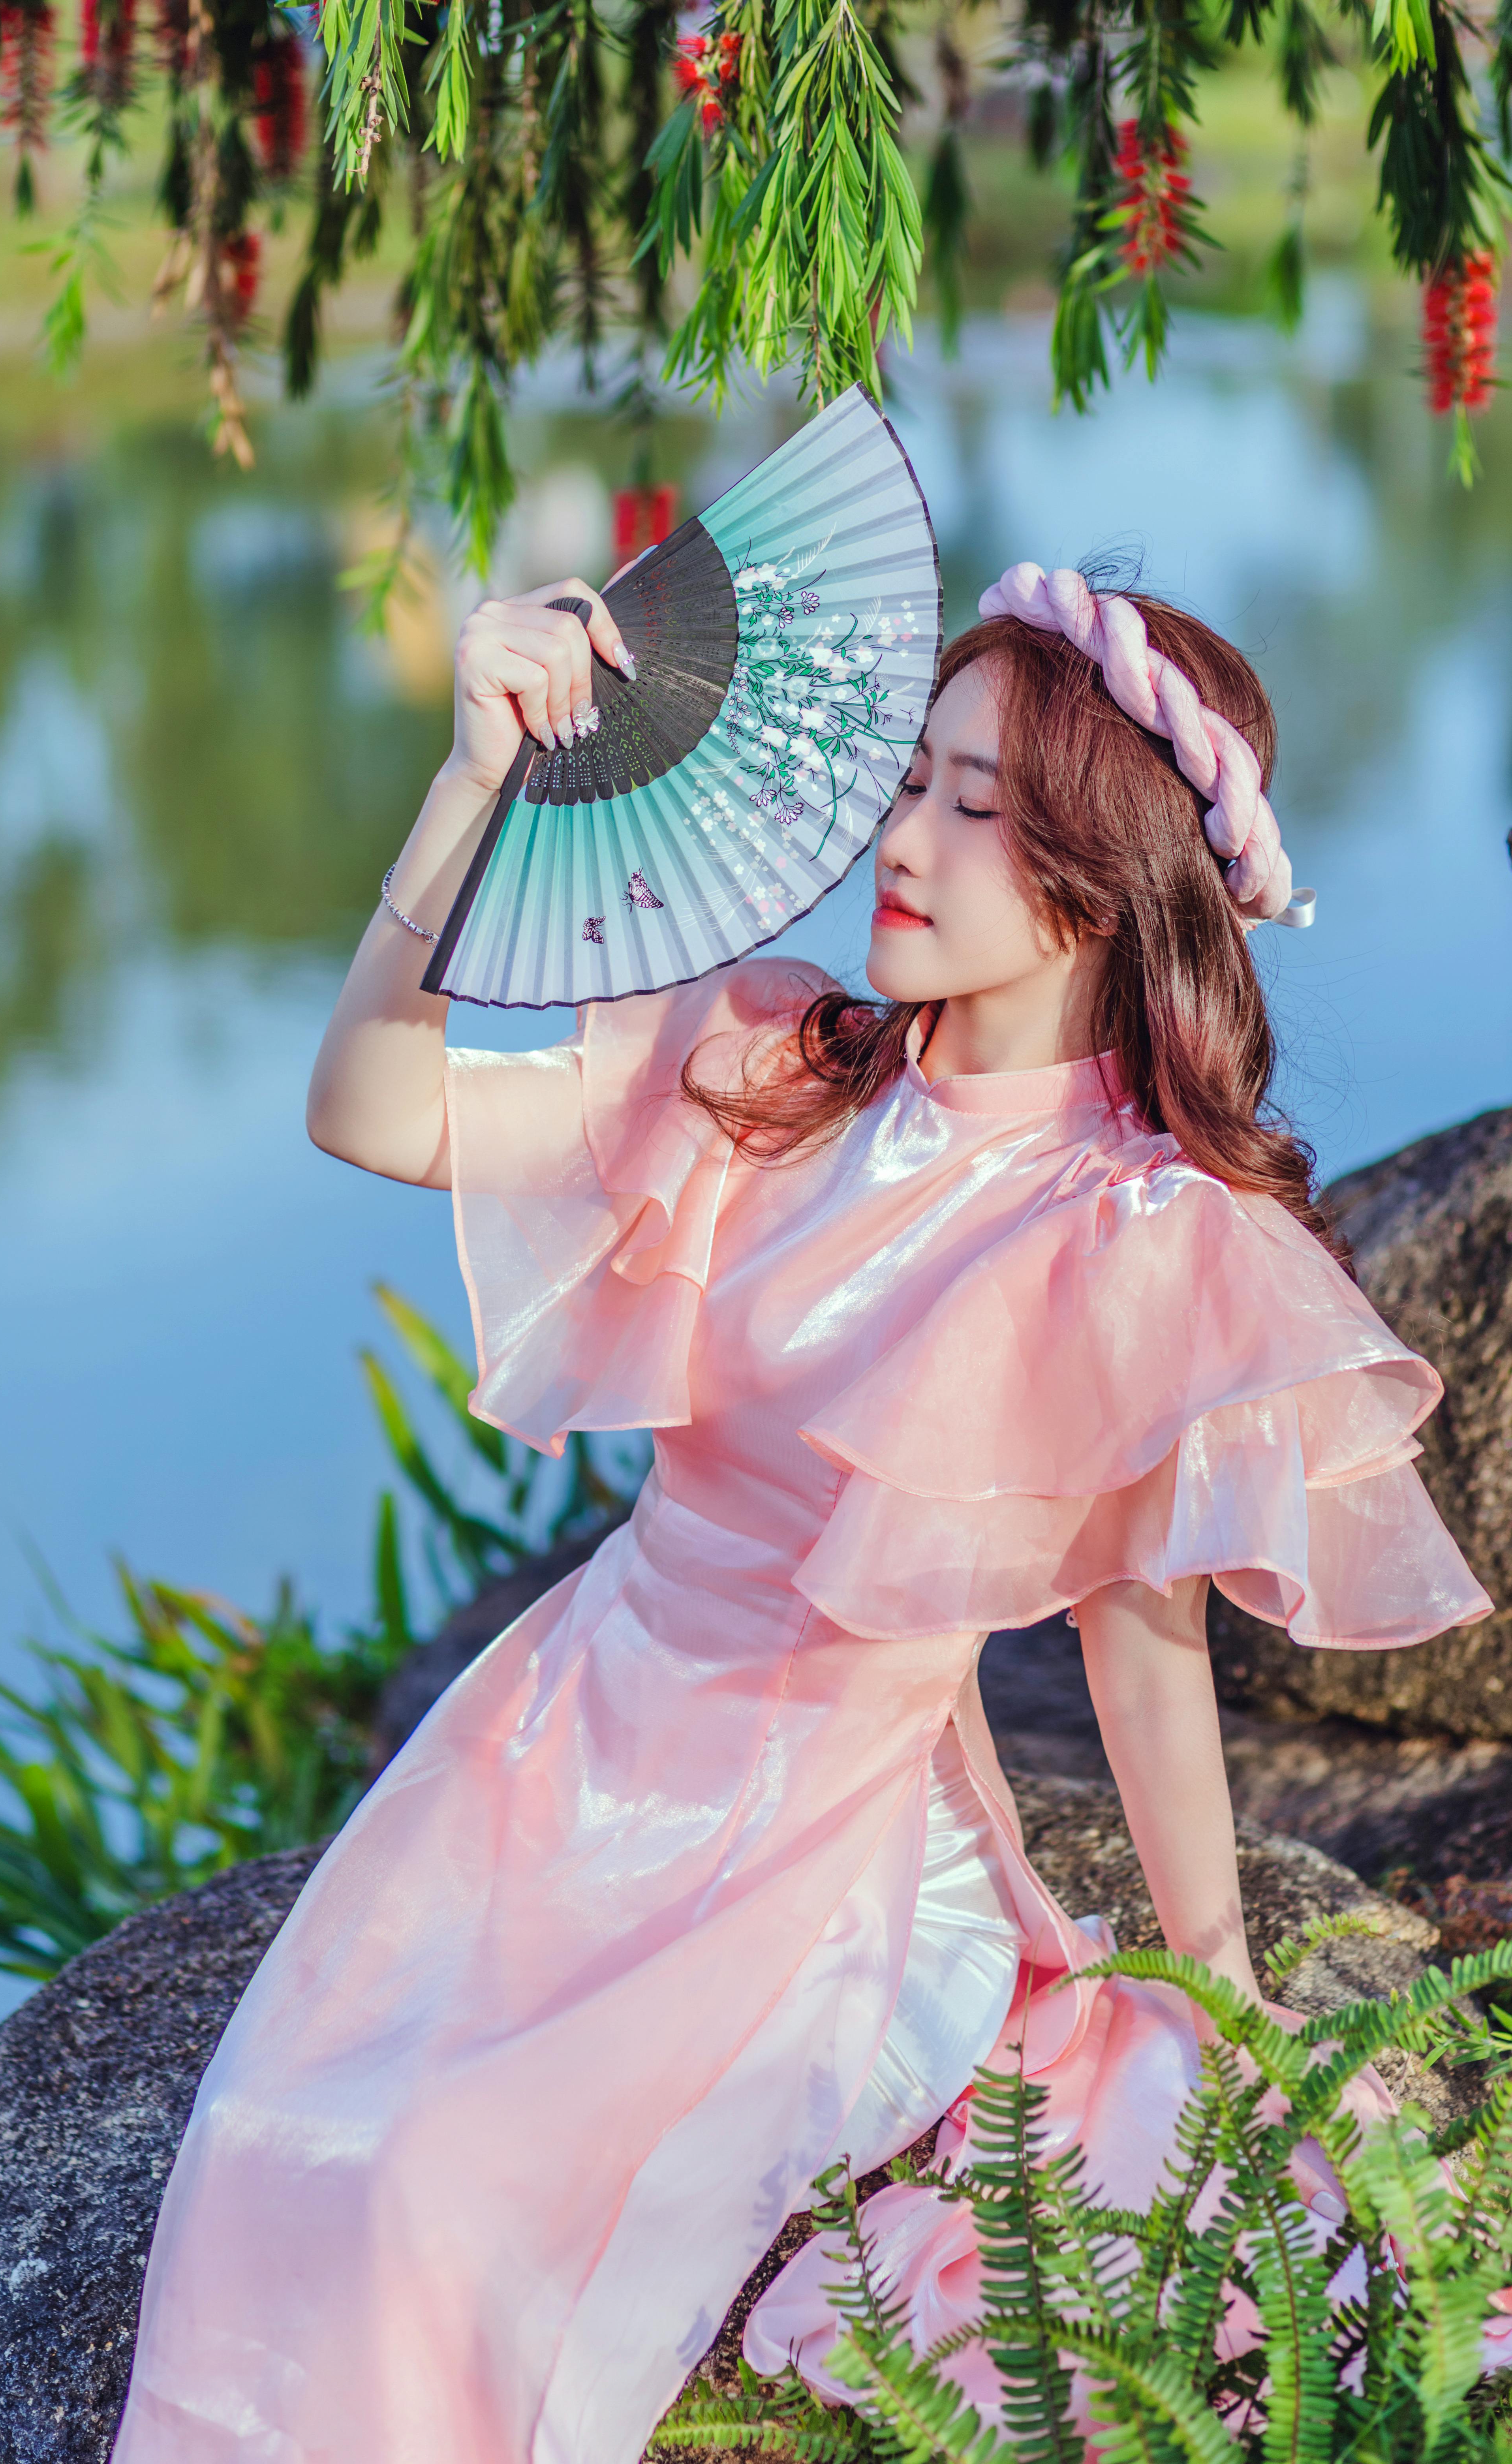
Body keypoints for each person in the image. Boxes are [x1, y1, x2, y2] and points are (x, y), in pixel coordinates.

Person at [110, 561, 1490, 2464]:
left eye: (975, 806)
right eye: (910, 780)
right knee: (277, 2136)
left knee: (437, 2192)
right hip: (561, 1730)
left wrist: (1218, 1984)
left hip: (815, 1838)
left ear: (1100, 879)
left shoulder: (1125, 1229)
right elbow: (365, 1107)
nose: (899, 840)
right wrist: (471, 783)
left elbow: (1140, 1641)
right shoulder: (777, 1065)